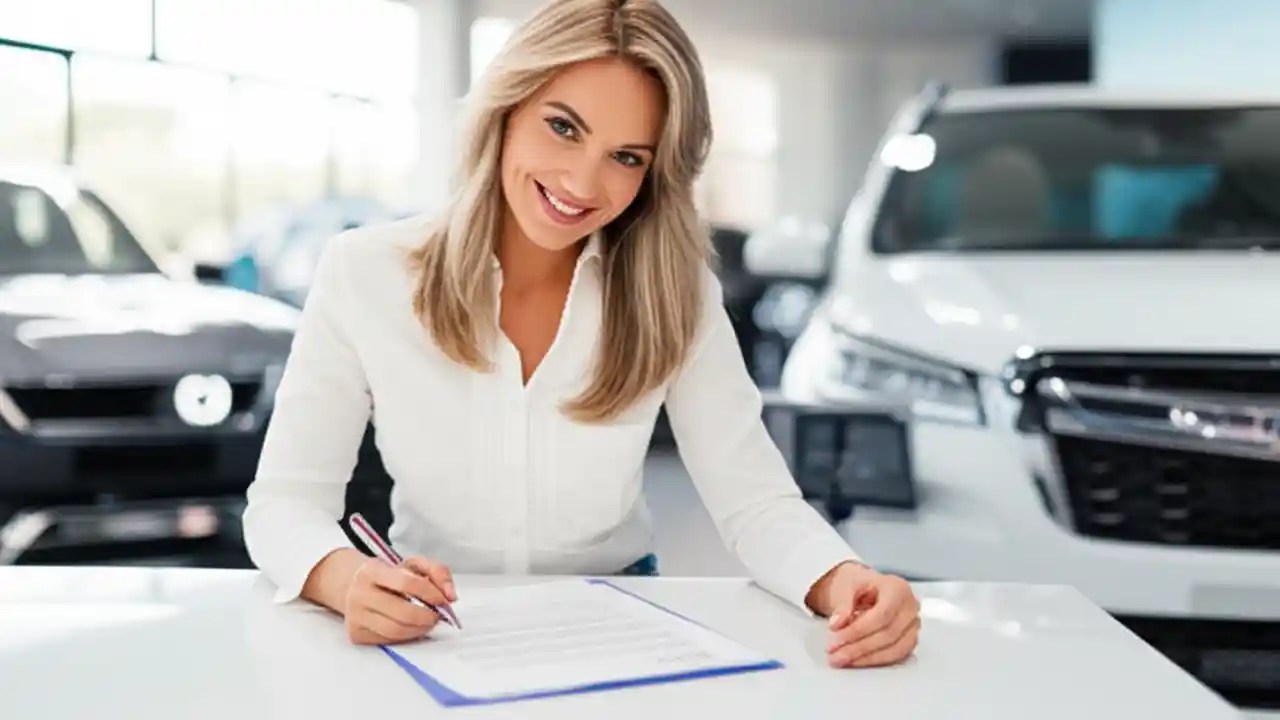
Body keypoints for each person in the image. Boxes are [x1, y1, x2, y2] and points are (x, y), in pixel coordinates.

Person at [242, 0, 921, 669]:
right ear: (507, 106)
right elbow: (284, 503)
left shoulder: (675, 293)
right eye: (563, 127)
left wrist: (844, 582)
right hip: (434, 631)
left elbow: (755, 501)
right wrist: (345, 579)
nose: (581, 182)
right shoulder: (366, 273)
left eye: (626, 157)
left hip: (619, 630)